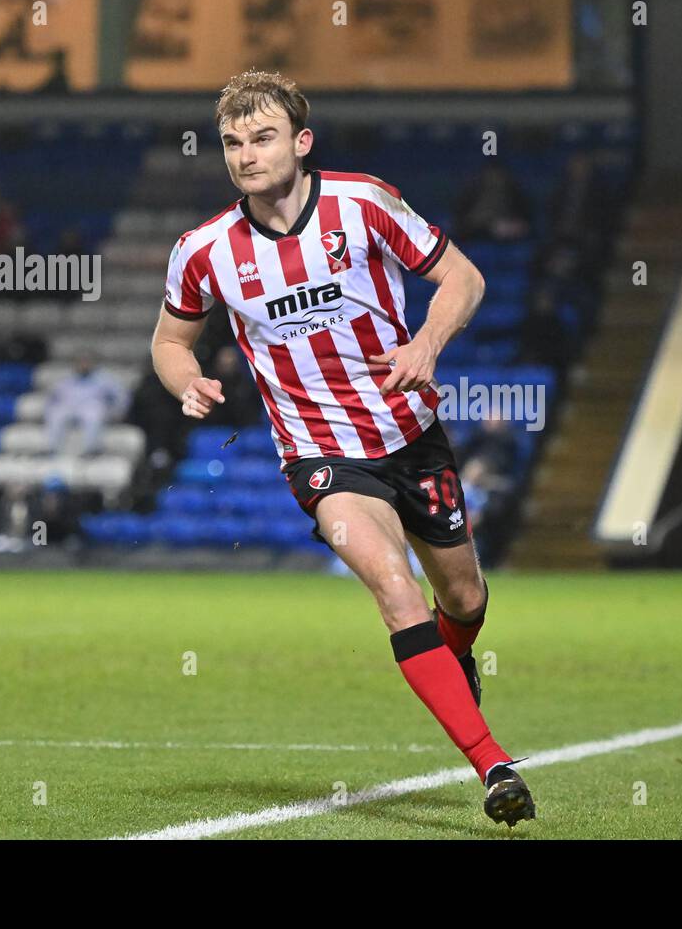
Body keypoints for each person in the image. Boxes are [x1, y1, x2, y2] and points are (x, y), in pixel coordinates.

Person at [149, 70, 533, 826]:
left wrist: (428, 339)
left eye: (262, 138)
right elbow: (169, 339)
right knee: (394, 589)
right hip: (320, 454)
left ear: (301, 141)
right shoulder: (204, 250)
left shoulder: (364, 204)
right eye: (232, 143)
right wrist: (185, 378)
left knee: (465, 598)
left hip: (411, 436)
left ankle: (455, 659)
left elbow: (463, 275)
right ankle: (494, 765)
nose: (246, 156)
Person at [45, 355, 130, 456]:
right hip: (69, 408)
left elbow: (121, 396)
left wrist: (116, 412)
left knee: (94, 414)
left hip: (92, 408)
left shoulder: (104, 380)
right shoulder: (67, 381)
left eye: (86, 362)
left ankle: (91, 449)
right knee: (56, 414)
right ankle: (51, 449)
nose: (83, 365)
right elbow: (52, 399)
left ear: (93, 364)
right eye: (80, 362)